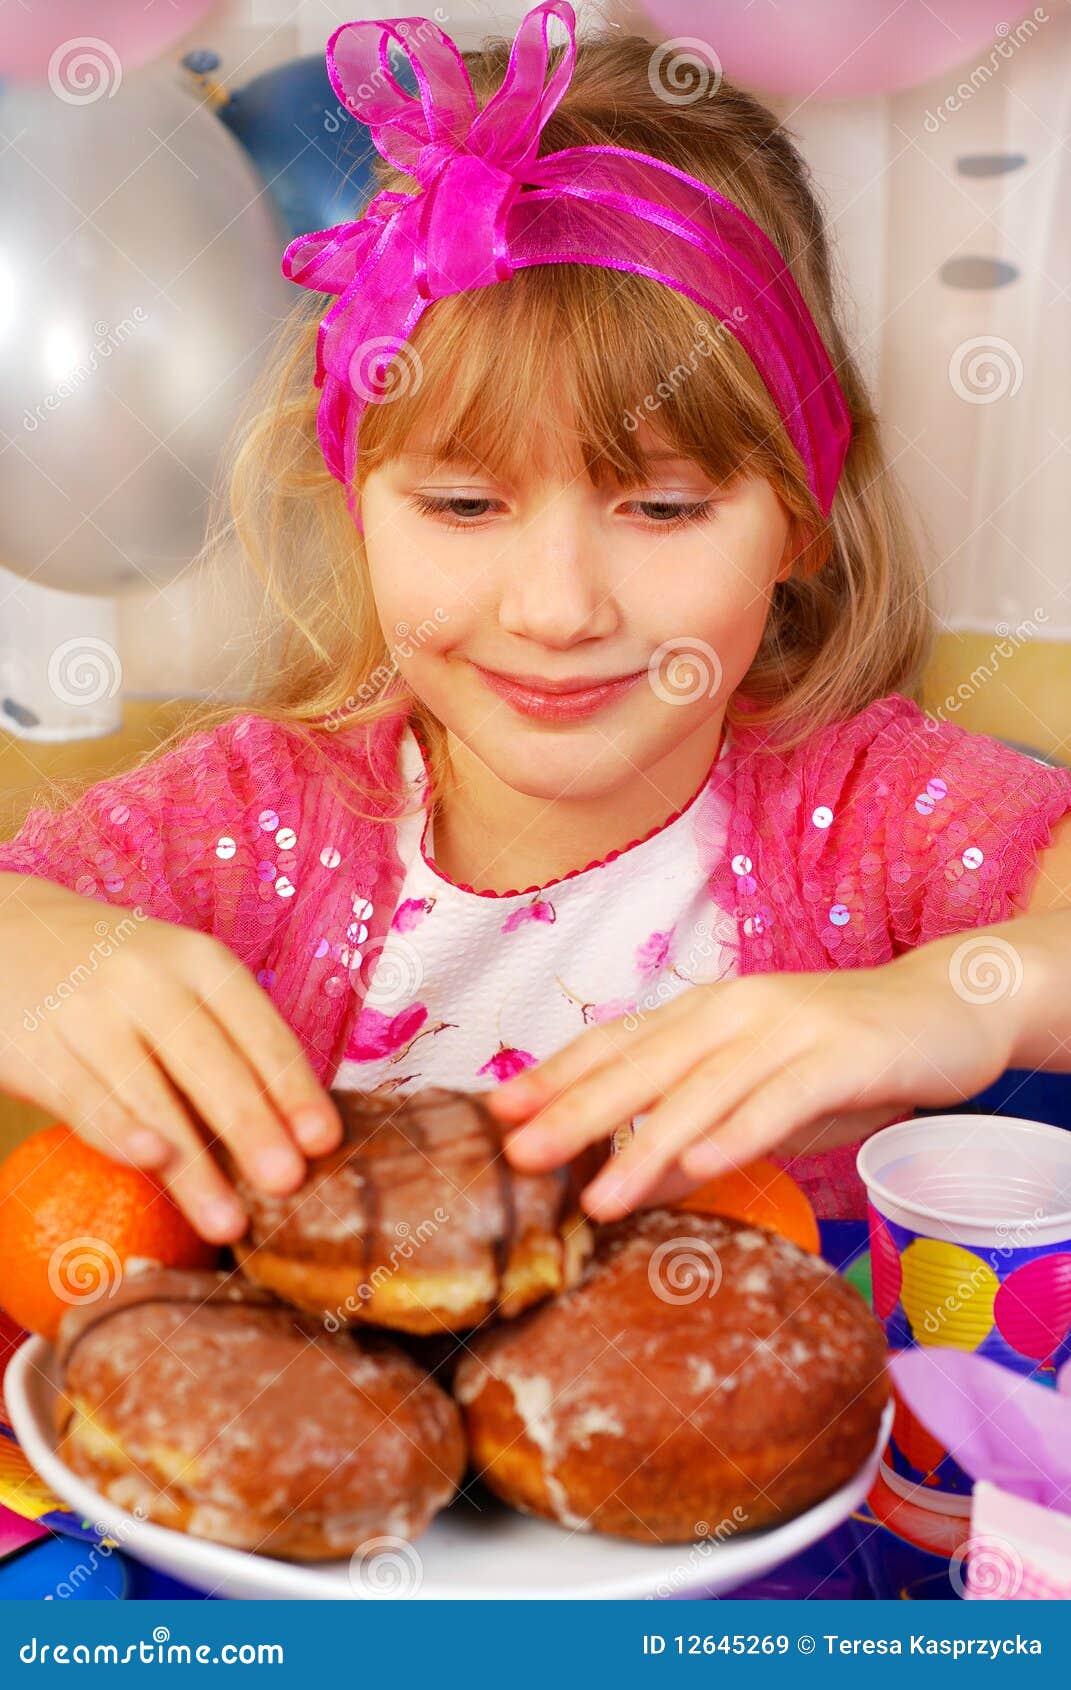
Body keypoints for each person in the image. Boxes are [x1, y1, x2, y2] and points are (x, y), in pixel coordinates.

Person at [1, 2, 1070, 1243]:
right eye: (463, 503)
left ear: (801, 516)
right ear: (357, 509)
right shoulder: (255, 818)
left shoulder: (866, 810)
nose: (557, 610)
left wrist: (962, 997)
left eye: (664, 506)